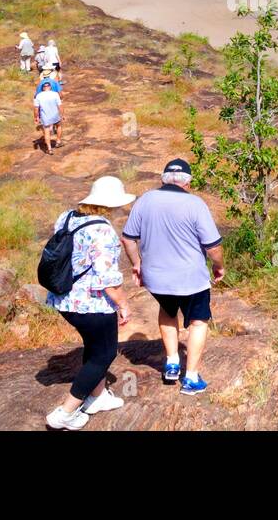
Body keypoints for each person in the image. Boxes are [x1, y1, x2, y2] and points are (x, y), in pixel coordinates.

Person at [120, 159, 224, 396]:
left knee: (168, 311)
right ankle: (191, 377)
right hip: (191, 279)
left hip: (157, 279)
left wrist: (138, 265)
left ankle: (172, 363)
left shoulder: (145, 200)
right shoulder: (195, 204)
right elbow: (213, 247)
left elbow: (127, 238)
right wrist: (219, 266)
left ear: (163, 179)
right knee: (198, 321)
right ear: (188, 183)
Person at [45, 176, 135, 431]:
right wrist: (123, 304)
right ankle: (65, 412)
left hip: (65, 299)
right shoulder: (103, 230)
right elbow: (107, 280)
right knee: (105, 354)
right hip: (93, 303)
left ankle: (97, 397)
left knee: (93, 345)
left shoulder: (67, 217)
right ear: (110, 204)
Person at [33, 77, 63, 154]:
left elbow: (36, 109)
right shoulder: (55, 94)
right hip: (55, 115)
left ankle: (49, 149)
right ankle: (58, 141)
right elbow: (60, 106)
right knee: (59, 126)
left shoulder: (39, 96)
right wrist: (62, 115)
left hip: (46, 117)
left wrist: (36, 117)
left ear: (43, 88)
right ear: (50, 87)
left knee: (46, 132)